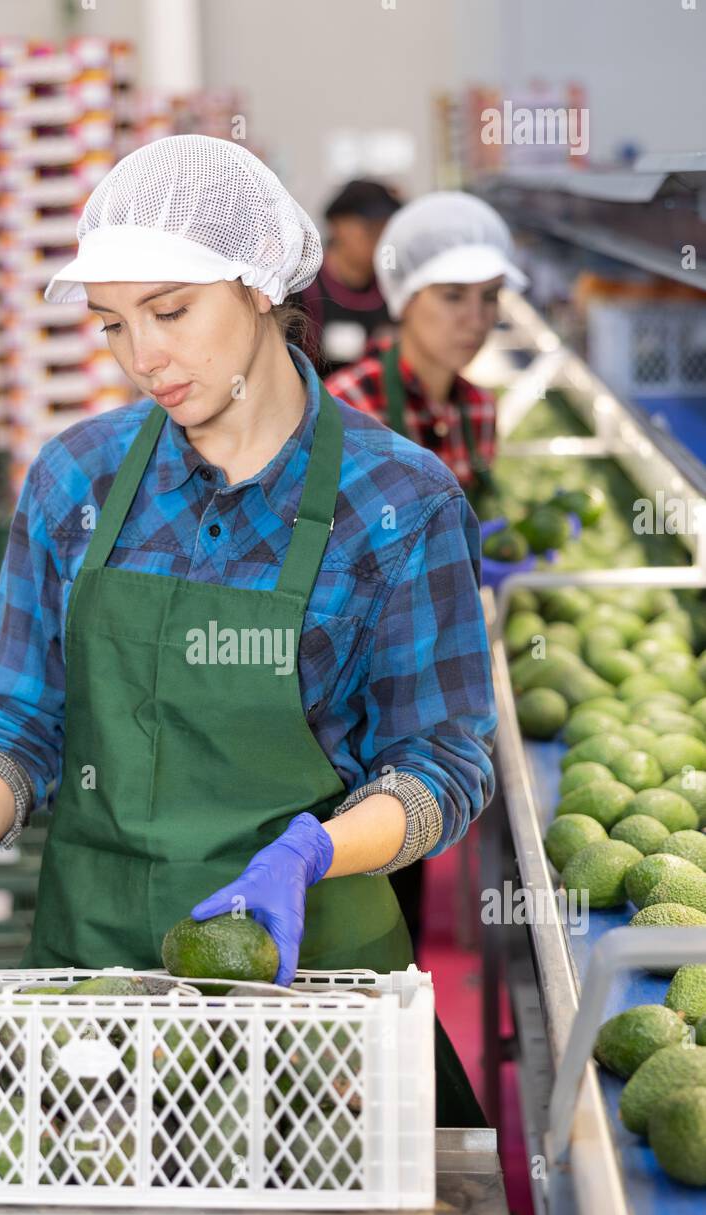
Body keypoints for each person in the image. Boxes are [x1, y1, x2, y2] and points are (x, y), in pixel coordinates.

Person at [0, 136, 496, 1127]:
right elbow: (15, 713)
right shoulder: (79, 479)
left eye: (170, 312)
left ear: (259, 287)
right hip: (89, 1003)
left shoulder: (396, 498)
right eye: (110, 325)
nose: (143, 358)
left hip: (308, 1004)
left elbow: (442, 761)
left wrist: (310, 852)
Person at [324, 191, 529, 948]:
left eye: (490, 299)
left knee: (407, 844)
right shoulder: (349, 405)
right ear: (404, 298)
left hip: (432, 672)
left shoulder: (479, 409)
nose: (474, 319)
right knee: (349, 861)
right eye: (452, 297)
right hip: (354, 679)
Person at [291, 178, 401, 377]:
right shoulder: (302, 287)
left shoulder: (394, 287)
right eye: (371, 227)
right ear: (336, 226)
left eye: (388, 227)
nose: (382, 237)